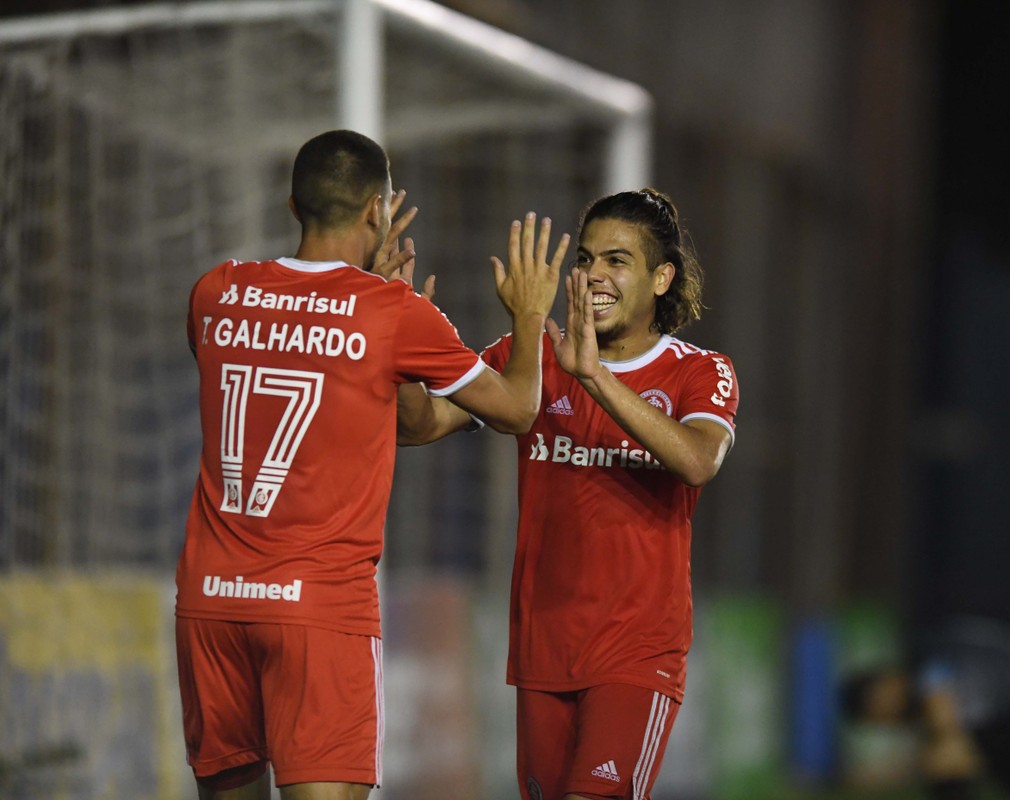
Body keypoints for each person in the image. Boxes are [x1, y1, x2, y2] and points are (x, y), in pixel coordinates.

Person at [174, 128, 568, 800]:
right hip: (317, 608)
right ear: (377, 211)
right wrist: (530, 317)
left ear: (293, 207)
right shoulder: (390, 312)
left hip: (210, 602)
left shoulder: (215, 291)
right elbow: (517, 410)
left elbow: (396, 420)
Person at [400, 188, 739, 800]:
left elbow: (696, 461)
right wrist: (400, 343)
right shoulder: (529, 359)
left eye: (617, 260)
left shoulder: (698, 370)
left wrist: (594, 376)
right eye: (585, 259)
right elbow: (419, 425)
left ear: (661, 279)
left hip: (637, 652)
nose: (594, 275)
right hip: (543, 649)